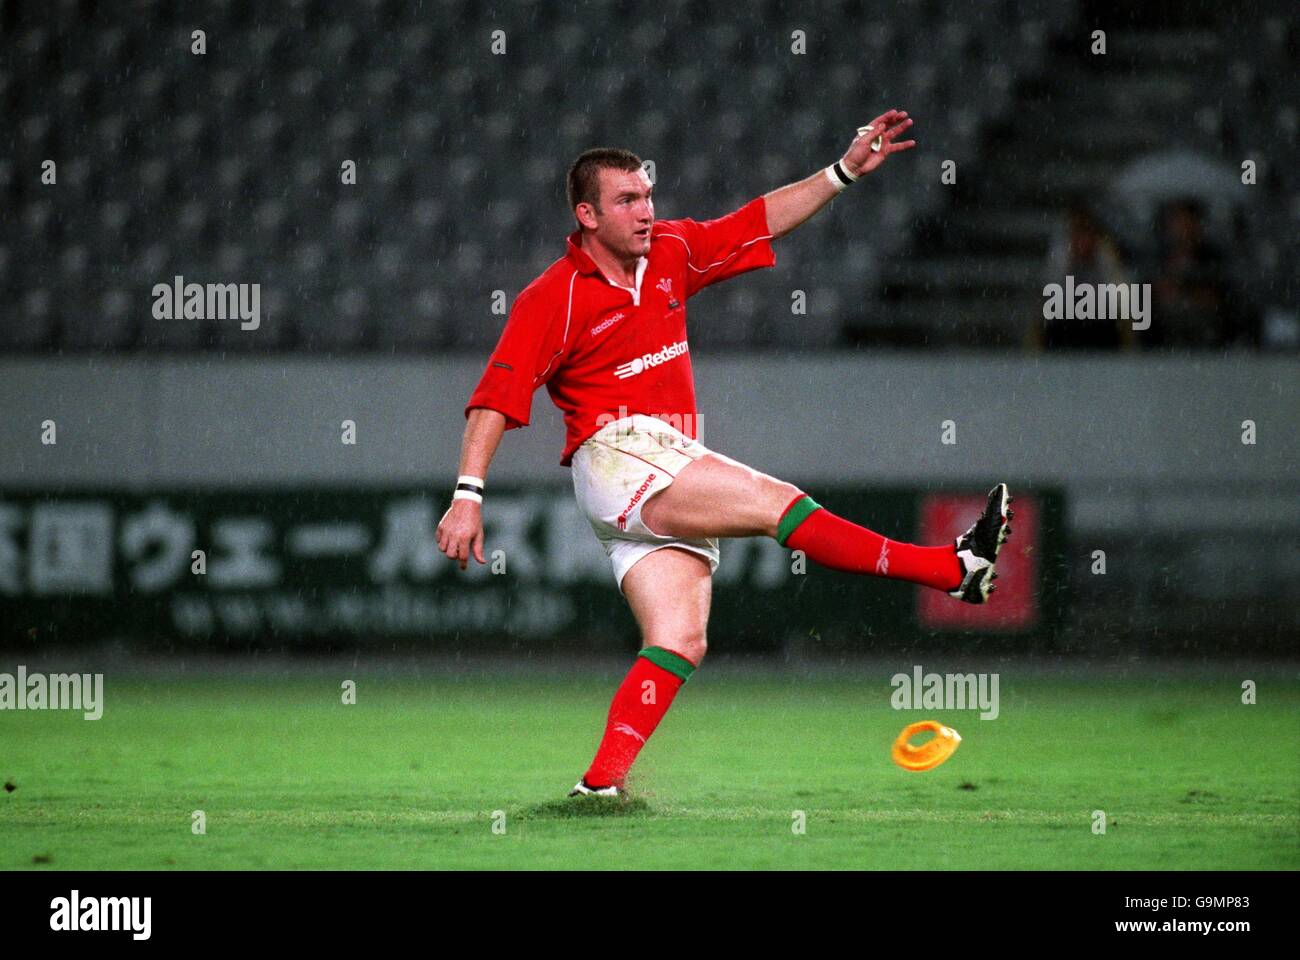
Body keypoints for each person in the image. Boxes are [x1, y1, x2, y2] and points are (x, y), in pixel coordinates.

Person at [437, 110, 1013, 798]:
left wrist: (842, 172)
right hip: (617, 453)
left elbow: (757, 221)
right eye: (627, 200)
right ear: (587, 214)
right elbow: (493, 399)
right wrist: (468, 496)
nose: (646, 210)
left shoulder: (672, 251)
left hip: (652, 473)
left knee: (679, 641)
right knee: (779, 504)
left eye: (648, 194)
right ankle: (952, 568)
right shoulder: (550, 298)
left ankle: (599, 788)